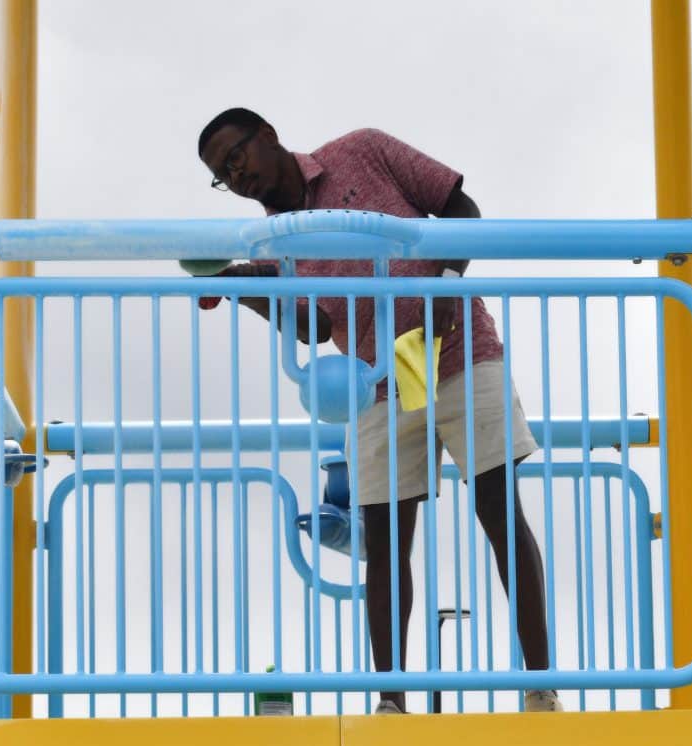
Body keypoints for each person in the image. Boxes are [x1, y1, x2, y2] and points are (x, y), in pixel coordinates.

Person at [196, 108, 557, 715]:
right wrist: (244, 286)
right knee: (387, 543)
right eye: (222, 175)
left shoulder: (361, 150)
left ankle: (543, 685)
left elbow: (461, 211)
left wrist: (445, 285)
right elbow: (312, 327)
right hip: (382, 378)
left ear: (269, 135)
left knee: (498, 511)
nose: (237, 176)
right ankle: (391, 699)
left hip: (457, 346)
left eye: (238, 157)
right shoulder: (274, 245)